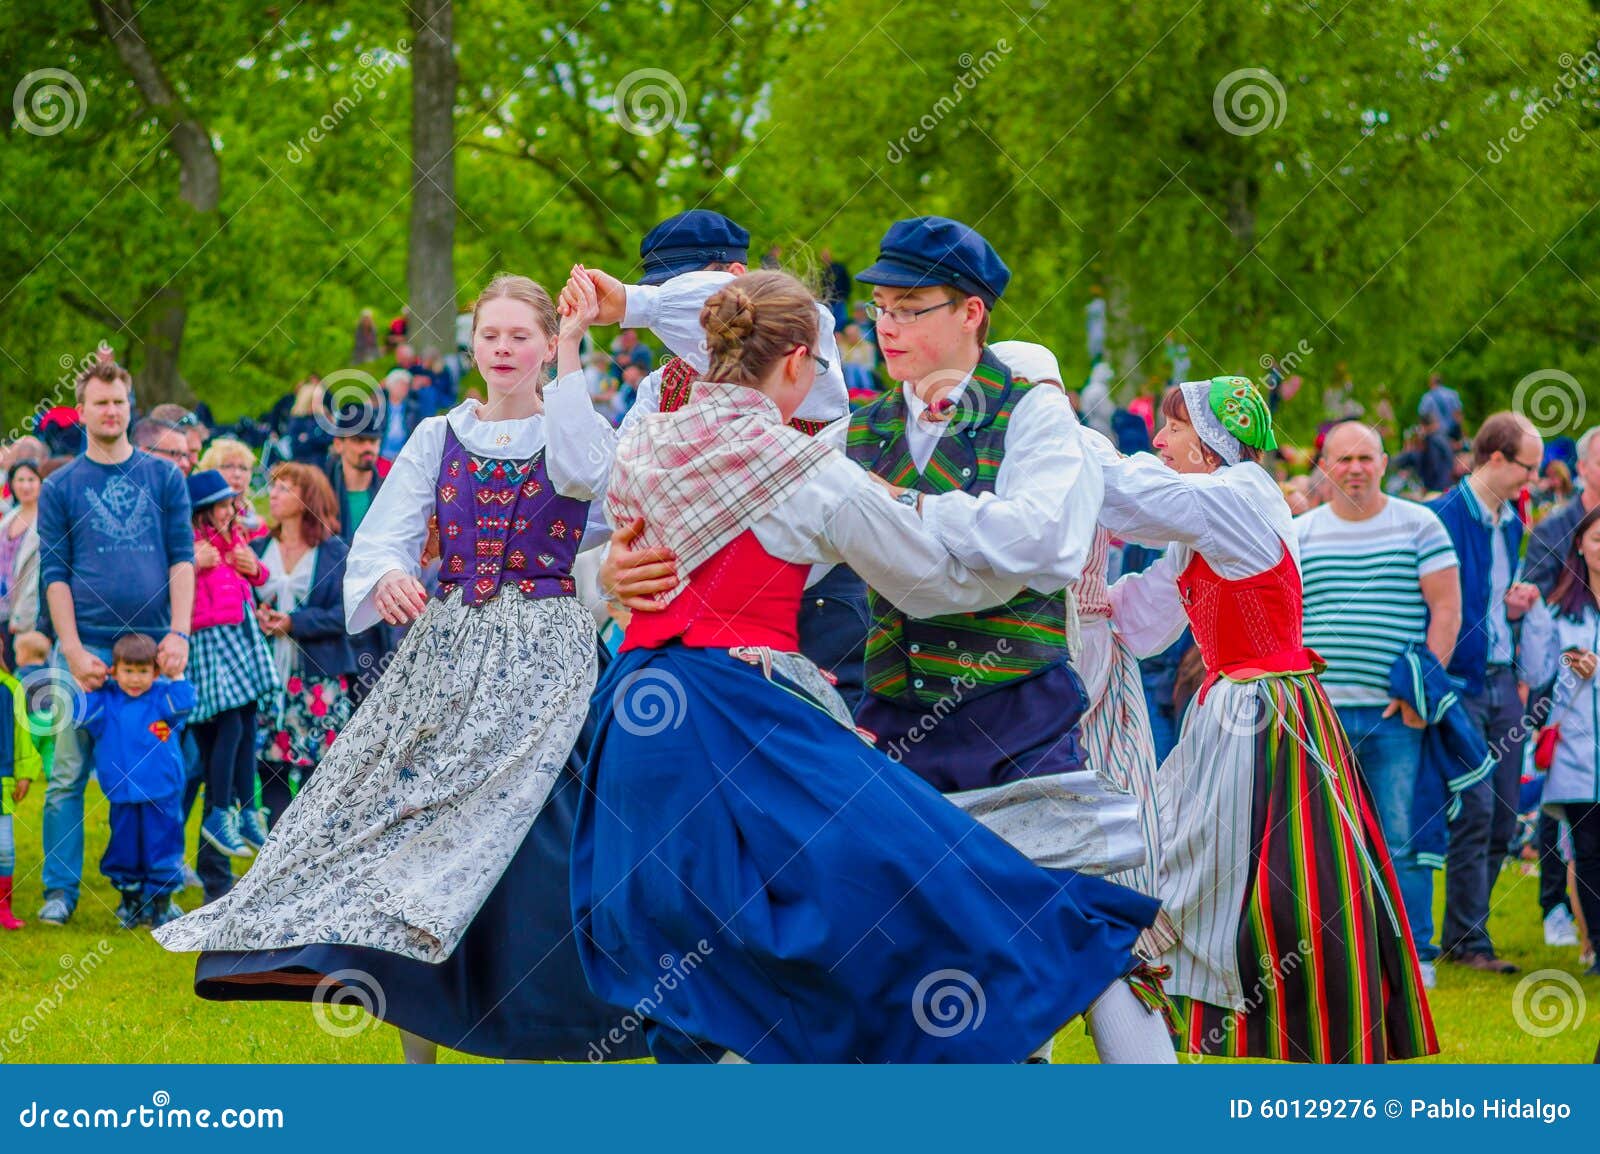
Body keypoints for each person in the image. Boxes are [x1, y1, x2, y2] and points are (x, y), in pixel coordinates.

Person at [576, 269, 1164, 1063]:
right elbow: (926, 581)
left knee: (702, 975)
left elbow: (598, 566)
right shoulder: (804, 468)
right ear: (794, 362)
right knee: (958, 904)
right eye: (819, 368)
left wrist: (606, 577)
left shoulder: (644, 441)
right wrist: (1021, 546)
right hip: (741, 722)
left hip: (633, 732)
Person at [156, 272, 641, 1064]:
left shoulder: (573, 423)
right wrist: (386, 577)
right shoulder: (436, 436)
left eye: (523, 335)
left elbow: (596, 483)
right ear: (474, 344)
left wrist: (576, 359)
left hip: (549, 654)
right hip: (449, 650)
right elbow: (382, 536)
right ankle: (416, 1052)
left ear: (548, 342)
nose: (504, 349)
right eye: (491, 335)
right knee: (408, 830)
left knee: (543, 839)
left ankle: (566, 1021)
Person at [1100, 378, 1437, 1062]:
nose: (1159, 441)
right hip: (1231, 708)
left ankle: (1282, 1020)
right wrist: (1073, 602)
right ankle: (1172, 1008)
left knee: (1258, 881)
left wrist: (1053, 442)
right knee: (1183, 865)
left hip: (1264, 710)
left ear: (1210, 439)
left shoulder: (1240, 493)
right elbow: (1143, 623)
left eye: (1171, 429)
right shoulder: (1203, 517)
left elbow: (1132, 499)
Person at [572, 208, 866, 707]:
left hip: (814, 615)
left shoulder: (804, 346)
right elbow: (609, 506)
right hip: (699, 637)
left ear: (738, 281)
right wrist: (607, 569)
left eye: (681, 292)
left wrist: (635, 303)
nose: (677, 319)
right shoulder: (661, 388)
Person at [1293, 421, 1462, 986]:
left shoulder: (1421, 525)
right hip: (1322, 716)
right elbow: (1287, 618)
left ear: (1385, 463)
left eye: (1366, 457)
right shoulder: (1301, 533)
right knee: (1324, 841)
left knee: (1401, 836)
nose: (1355, 468)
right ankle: (1333, 957)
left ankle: (1416, 955)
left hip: (1395, 716)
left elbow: (1446, 611)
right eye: (1343, 459)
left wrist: (1423, 692)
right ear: (1324, 466)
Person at [36, 349, 194, 926]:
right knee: (68, 774)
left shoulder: (164, 478)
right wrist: (73, 650)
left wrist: (179, 632)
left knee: (162, 770)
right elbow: (55, 575)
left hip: (153, 651)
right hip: (87, 648)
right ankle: (59, 890)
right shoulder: (61, 487)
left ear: (132, 407)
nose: (110, 411)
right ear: (81, 411)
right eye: (99, 402)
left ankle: (159, 885)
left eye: (119, 402)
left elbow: (182, 560)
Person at [1427, 410, 1545, 974]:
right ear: (1496, 458)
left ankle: (1464, 933)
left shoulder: (1512, 523)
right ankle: (1467, 941)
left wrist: (1513, 607)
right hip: (1463, 682)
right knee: (1472, 808)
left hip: (1503, 679)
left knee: (1502, 812)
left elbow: (1487, 599)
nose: (1535, 478)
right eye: (1528, 466)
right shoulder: (1441, 518)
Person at [1524, 424, 1599, 948]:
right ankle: (1561, 913)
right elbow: (1537, 660)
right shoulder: (1554, 528)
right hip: (1571, 730)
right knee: (1580, 843)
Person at [251, 463, 356, 827]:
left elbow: (346, 616)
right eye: (273, 487)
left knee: (316, 770)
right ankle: (275, 850)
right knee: (270, 765)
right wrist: (261, 618)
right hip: (266, 675)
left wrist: (294, 623)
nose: (273, 495)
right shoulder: (259, 546)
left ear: (307, 497)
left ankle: (310, 850)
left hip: (316, 679)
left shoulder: (334, 552)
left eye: (284, 487)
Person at [186, 469, 279, 858]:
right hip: (210, 633)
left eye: (231, 503)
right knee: (228, 723)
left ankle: (245, 811)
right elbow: (170, 578)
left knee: (245, 721)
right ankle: (218, 811)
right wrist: (192, 562)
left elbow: (261, 577)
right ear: (204, 510)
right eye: (223, 505)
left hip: (240, 629)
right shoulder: (191, 541)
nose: (230, 509)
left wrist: (251, 566)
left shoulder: (235, 537)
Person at [81, 632, 196, 928]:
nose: (135, 679)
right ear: (114, 670)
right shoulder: (107, 700)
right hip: (122, 792)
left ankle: (161, 903)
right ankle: (130, 901)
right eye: (127, 671)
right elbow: (83, 715)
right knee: (124, 846)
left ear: (155, 672)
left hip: (162, 790)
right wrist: (90, 686)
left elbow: (185, 703)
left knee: (163, 845)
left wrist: (177, 674)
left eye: (142, 671)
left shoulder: (161, 697)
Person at [321, 401, 393, 705]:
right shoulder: (320, 489)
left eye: (373, 441)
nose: (369, 448)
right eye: (360, 441)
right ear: (339, 444)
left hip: (378, 617)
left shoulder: (392, 488)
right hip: (331, 615)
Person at [0, 658, 41, 930]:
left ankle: (4, 908)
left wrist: (25, 771)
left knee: (4, 850)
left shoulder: (11, 688)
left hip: (2, 782)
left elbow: (22, 733)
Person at [0, 459, 43, 670]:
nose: (25, 486)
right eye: (20, 480)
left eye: (31, 480)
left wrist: (23, 616)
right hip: (2, 607)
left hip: (24, 613)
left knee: (21, 671)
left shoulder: (46, 520)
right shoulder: (8, 518)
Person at [198, 438, 265, 536]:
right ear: (209, 471)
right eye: (228, 466)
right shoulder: (199, 515)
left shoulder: (248, 510)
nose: (237, 474)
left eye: (243, 468)